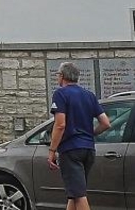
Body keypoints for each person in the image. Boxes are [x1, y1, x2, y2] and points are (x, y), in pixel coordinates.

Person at [47, 62, 111, 210]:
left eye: (58, 75)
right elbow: (106, 123)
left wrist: (52, 151)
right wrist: (91, 133)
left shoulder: (60, 94)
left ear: (62, 76)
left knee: (79, 195)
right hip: (89, 149)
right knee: (75, 193)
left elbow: (60, 124)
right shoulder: (89, 95)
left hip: (70, 150)